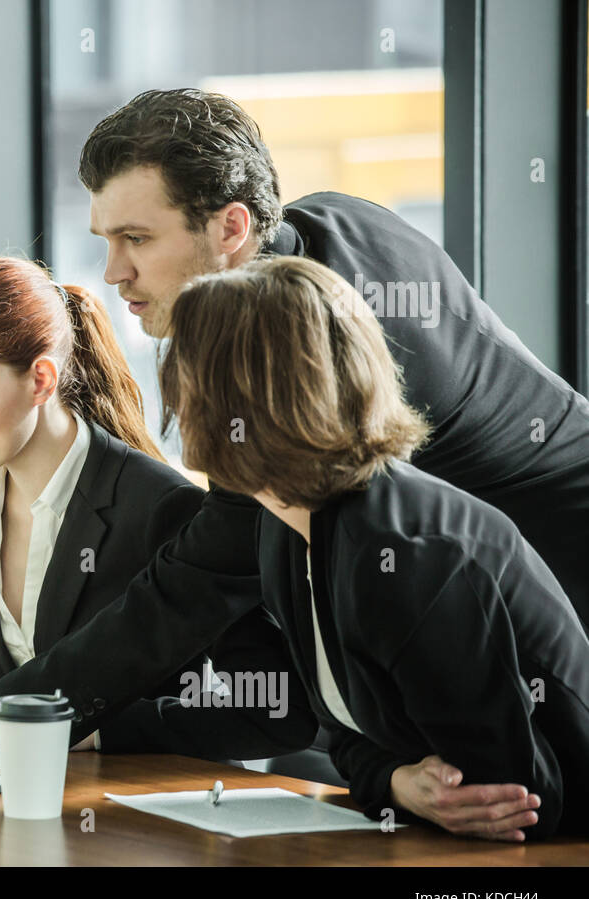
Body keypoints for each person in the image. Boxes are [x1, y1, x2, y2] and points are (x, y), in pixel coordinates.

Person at [0, 86, 589, 823]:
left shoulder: (332, 346)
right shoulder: (262, 319)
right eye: (106, 240)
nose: (112, 272)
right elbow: (328, 709)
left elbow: (189, 592)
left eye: (137, 240)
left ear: (231, 227)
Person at [0, 257, 316, 762]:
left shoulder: (162, 507)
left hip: (135, 812)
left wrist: (86, 730)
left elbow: (271, 715)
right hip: (19, 793)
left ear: (40, 381)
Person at [158, 255, 589, 840]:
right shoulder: (287, 525)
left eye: (186, 368)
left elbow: (505, 801)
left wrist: (406, 785)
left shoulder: (404, 552)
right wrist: (395, 783)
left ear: (243, 394)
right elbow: (340, 732)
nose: (173, 394)